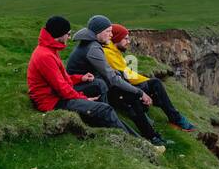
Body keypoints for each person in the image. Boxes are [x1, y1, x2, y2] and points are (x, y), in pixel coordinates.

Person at [25, 16, 164, 154]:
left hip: (54, 97)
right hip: (51, 102)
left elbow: (61, 79)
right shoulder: (46, 56)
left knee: (103, 103)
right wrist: (83, 98)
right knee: (105, 110)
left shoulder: (49, 50)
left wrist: (80, 78)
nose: (69, 37)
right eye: (68, 33)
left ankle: (141, 141)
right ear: (59, 34)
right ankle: (142, 147)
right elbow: (62, 89)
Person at [66, 15, 172, 147]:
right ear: (98, 32)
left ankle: (150, 135)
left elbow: (107, 72)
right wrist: (139, 92)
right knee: (132, 96)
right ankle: (150, 137)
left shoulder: (91, 44)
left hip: (88, 83)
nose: (111, 35)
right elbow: (112, 78)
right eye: (108, 31)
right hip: (85, 87)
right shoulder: (93, 48)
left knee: (128, 91)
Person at [104, 24, 196, 132]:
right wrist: (146, 81)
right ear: (116, 38)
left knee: (154, 85)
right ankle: (175, 119)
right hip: (119, 91)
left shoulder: (114, 51)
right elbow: (127, 75)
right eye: (125, 39)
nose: (128, 42)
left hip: (122, 85)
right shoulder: (109, 53)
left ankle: (172, 116)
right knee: (155, 84)